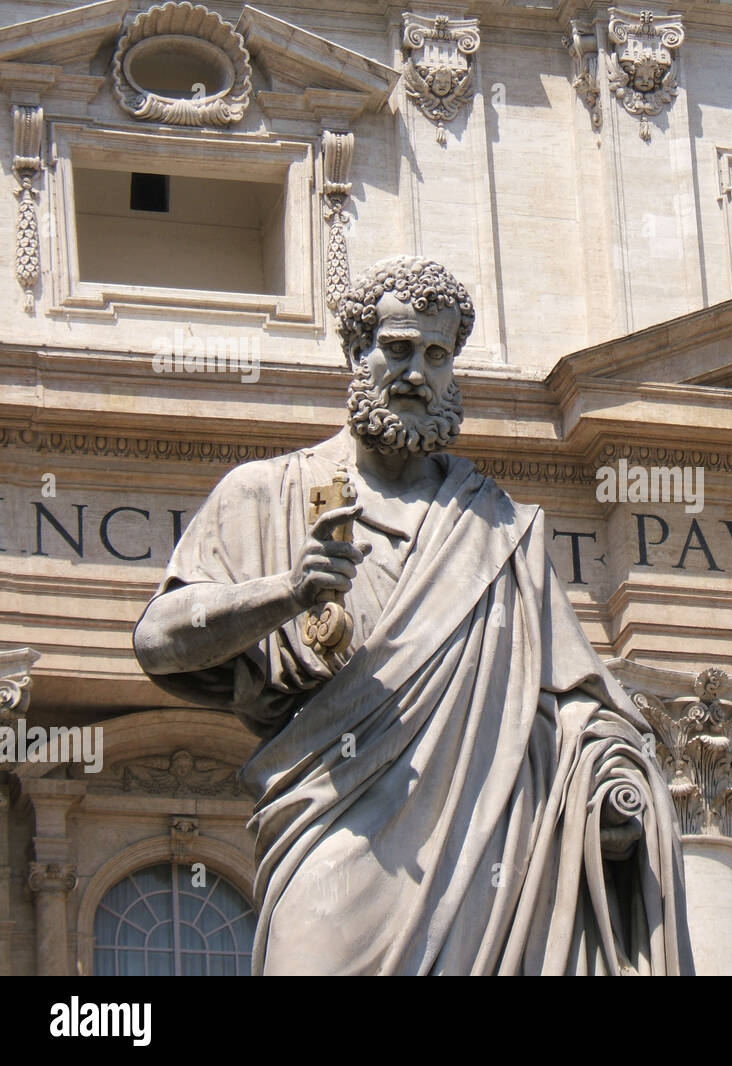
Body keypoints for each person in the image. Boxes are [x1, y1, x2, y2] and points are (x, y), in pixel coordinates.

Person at [133, 256, 693, 975]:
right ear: (354, 354)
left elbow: (580, 701)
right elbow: (158, 641)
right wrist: (285, 594)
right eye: (396, 349)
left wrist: (611, 782)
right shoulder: (266, 493)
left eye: (436, 354)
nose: (416, 373)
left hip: (479, 845)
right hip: (332, 832)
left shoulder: (497, 526)